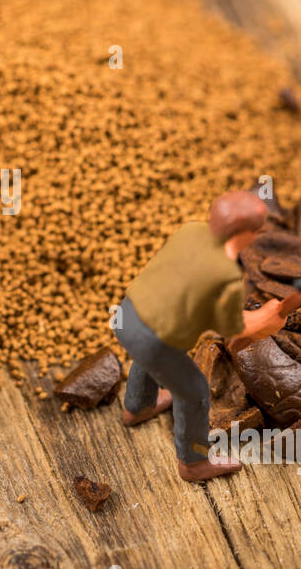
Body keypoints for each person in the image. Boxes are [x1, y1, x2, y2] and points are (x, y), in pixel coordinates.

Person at [115, 191, 283, 482]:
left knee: (145, 357)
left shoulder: (189, 230)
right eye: (256, 230)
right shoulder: (227, 276)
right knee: (193, 391)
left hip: (126, 316)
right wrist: (266, 317)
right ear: (243, 233)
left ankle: (137, 408)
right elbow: (233, 327)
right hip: (156, 341)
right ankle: (194, 464)